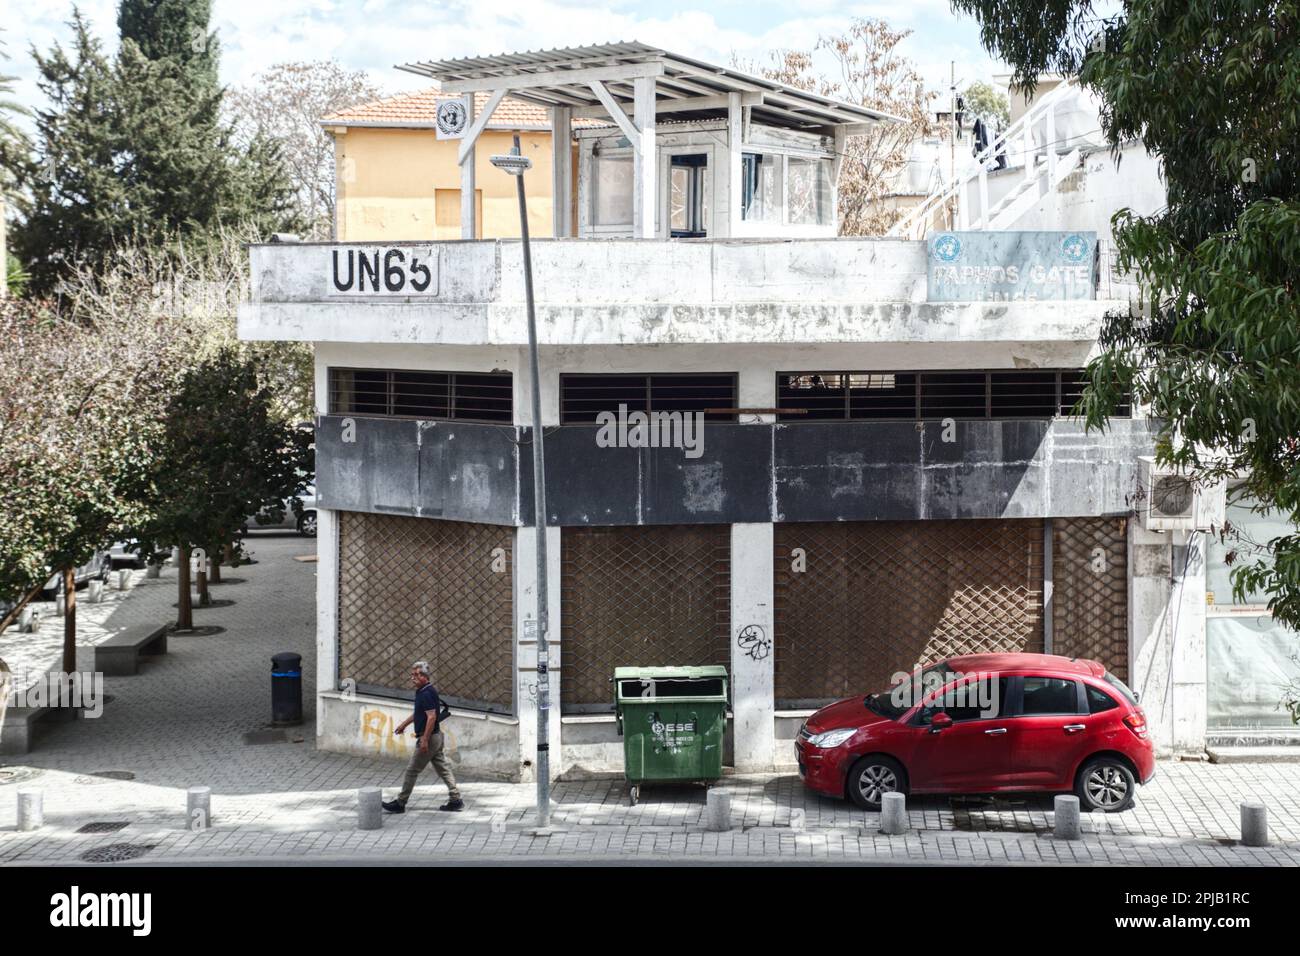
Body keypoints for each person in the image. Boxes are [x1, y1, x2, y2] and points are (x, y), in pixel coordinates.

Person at [382, 661, 463, 813]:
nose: (412, 678)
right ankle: (455, 799)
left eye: (415, 675)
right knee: (443, 768)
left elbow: (431, 717)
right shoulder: (425, 690)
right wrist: (404, 725)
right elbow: (420, 713)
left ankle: (400, 803)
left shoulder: (425, 693)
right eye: (411, 675)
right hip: (437, 737)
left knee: (412, 770)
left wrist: (424, 740)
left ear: (424, 676)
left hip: (430, 738)